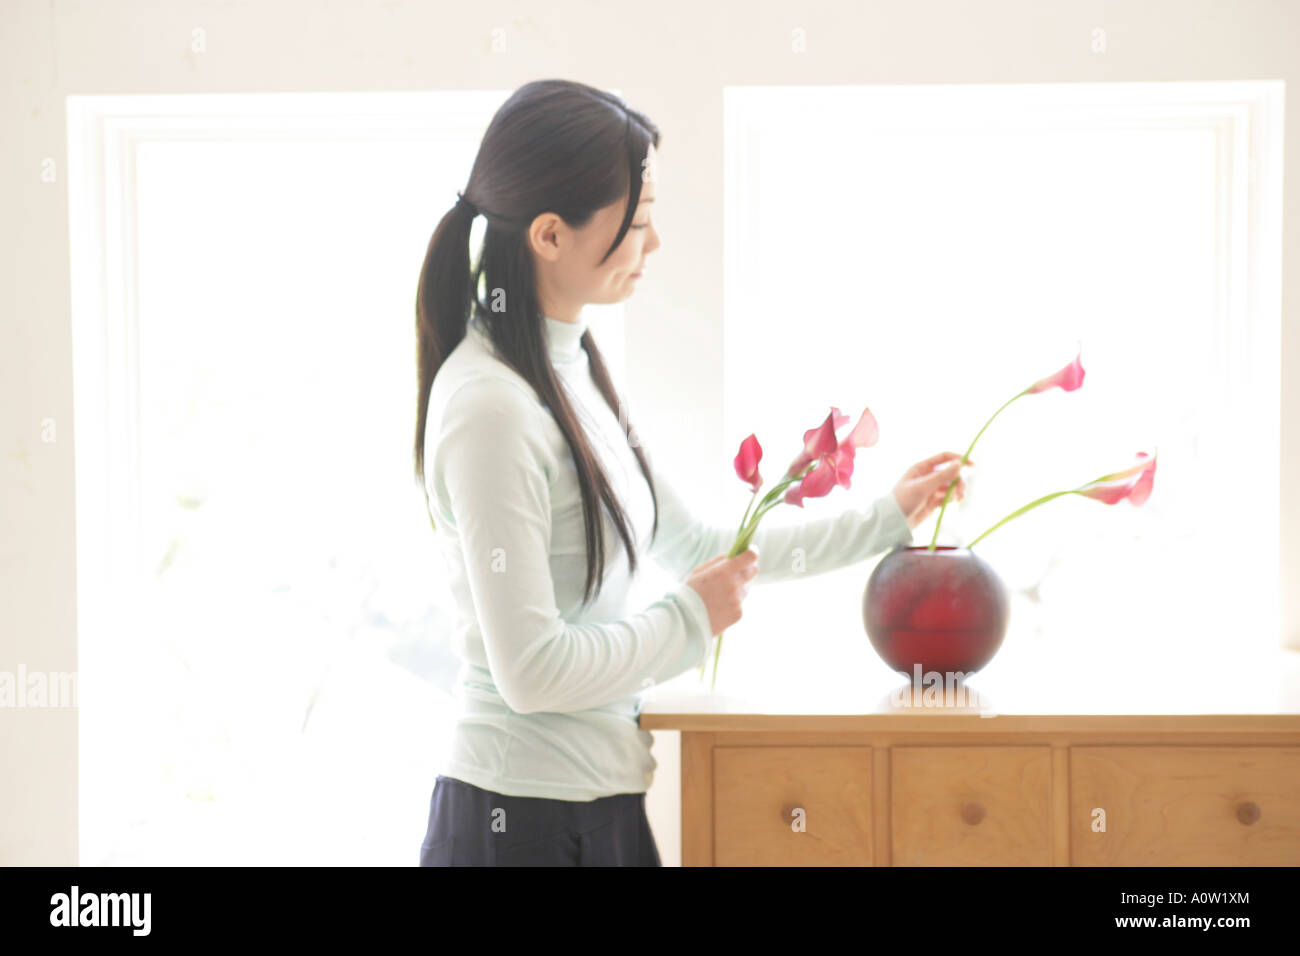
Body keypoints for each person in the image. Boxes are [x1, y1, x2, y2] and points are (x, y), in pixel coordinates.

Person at [413, 79, 970, 866]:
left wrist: (890, 519)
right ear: (548, 235)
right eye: (637, 223)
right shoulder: (490, 406)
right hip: (517, 821)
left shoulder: (573, 368)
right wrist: (687, 619)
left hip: (598, 805)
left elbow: (701, 543)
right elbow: (532, 673)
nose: (655, 244)